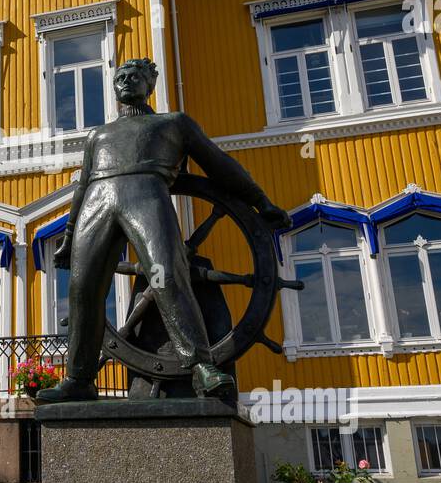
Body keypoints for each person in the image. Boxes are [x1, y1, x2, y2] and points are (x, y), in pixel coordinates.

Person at [37, 57, 290, 402]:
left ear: (150, 85)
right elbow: (82, 187)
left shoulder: (174, 123)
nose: (126, 81)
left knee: (166, 274)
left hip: (147, 194)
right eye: (120, 77)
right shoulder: (98, 135)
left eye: (135, 75)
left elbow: (219, 165)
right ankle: (80, 378)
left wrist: (261, 201)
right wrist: (68, 236)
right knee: (83, 288)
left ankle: (201, 365)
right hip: (97, 200)